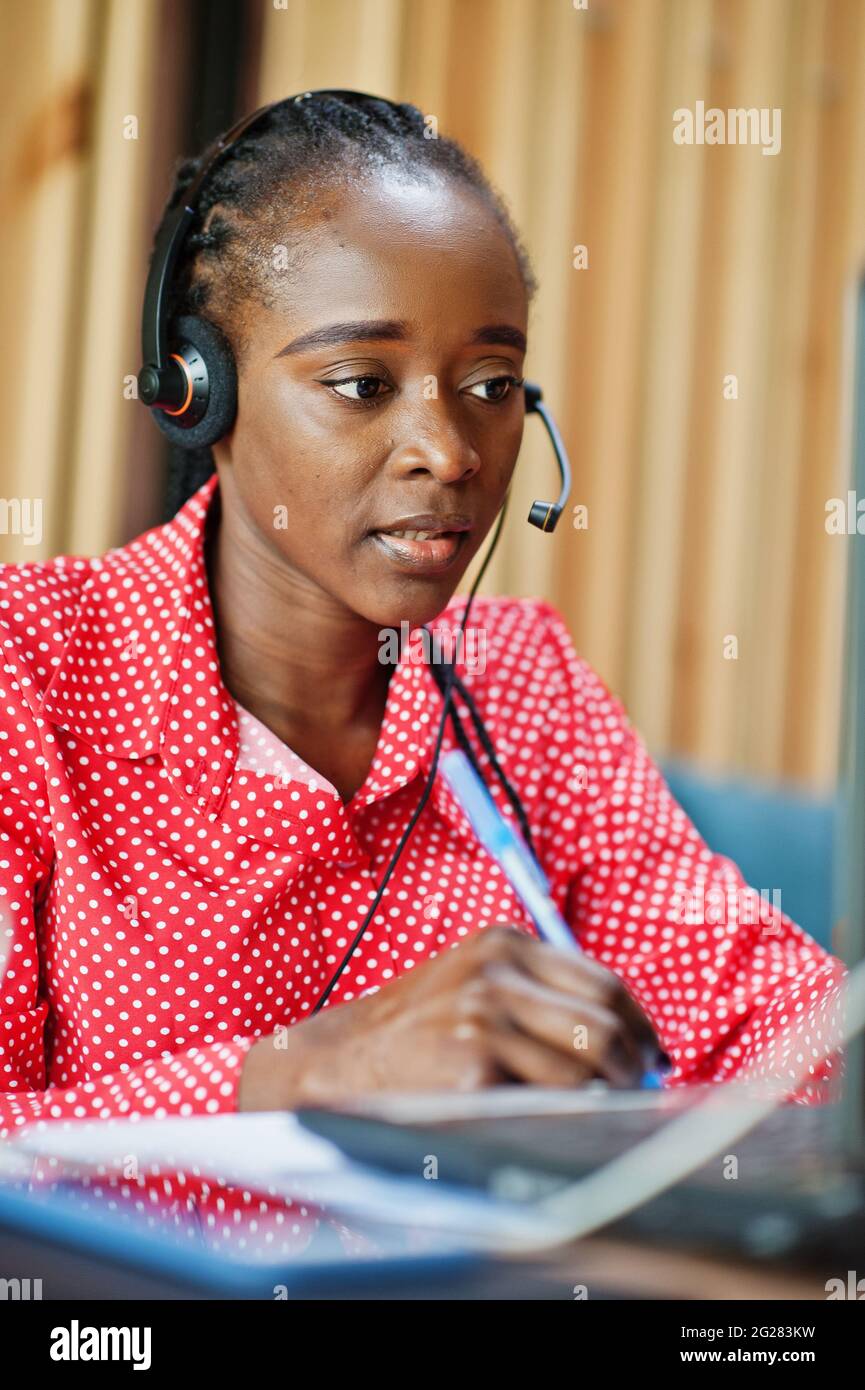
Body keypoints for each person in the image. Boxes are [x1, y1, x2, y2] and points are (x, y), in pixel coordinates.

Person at [0, 92, 844, 1143]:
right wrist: (311, 1072)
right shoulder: (26, 674)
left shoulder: (521, 684)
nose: (449, 450)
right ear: (196, 390)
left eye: (491, 383)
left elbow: (779, 1035)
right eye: (361, 382)